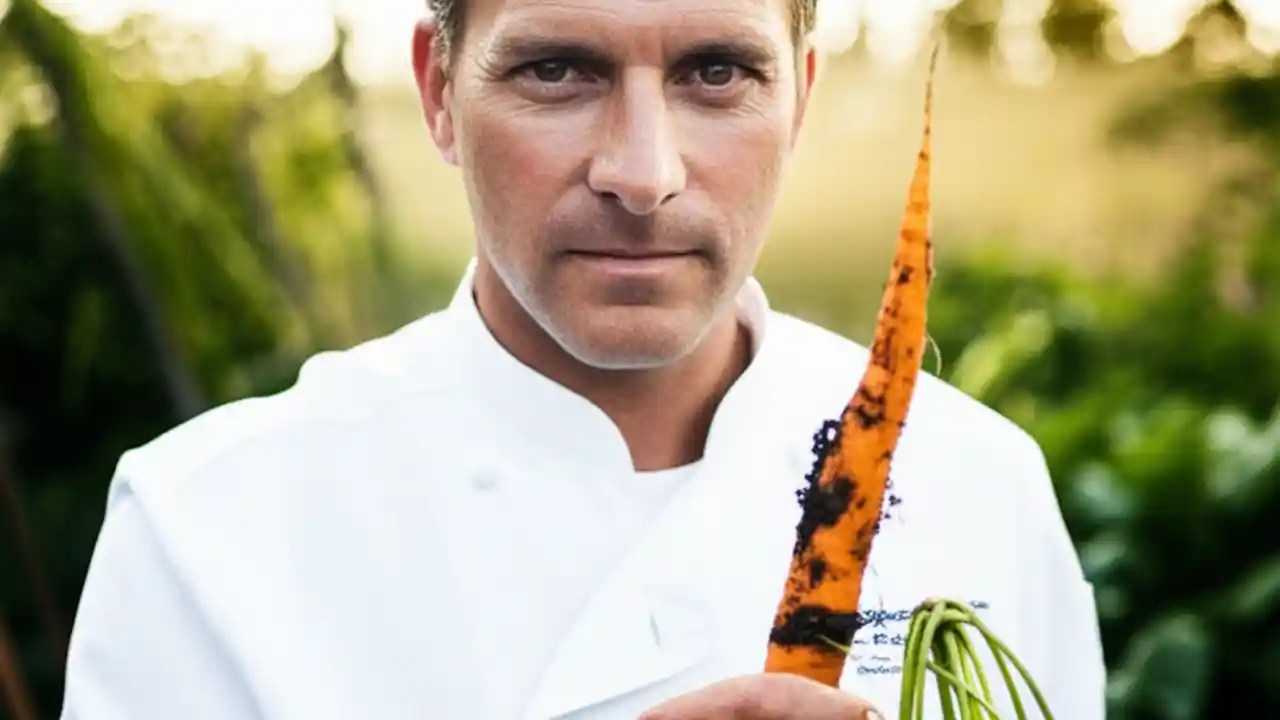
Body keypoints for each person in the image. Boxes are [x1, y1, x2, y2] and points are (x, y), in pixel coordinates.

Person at [58, 0, 1107, 717]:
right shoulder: (206, 526)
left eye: (716, 71)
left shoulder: (977, 478)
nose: (640, 173)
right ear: (437, 93)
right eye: (556, 70)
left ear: (799, 100)